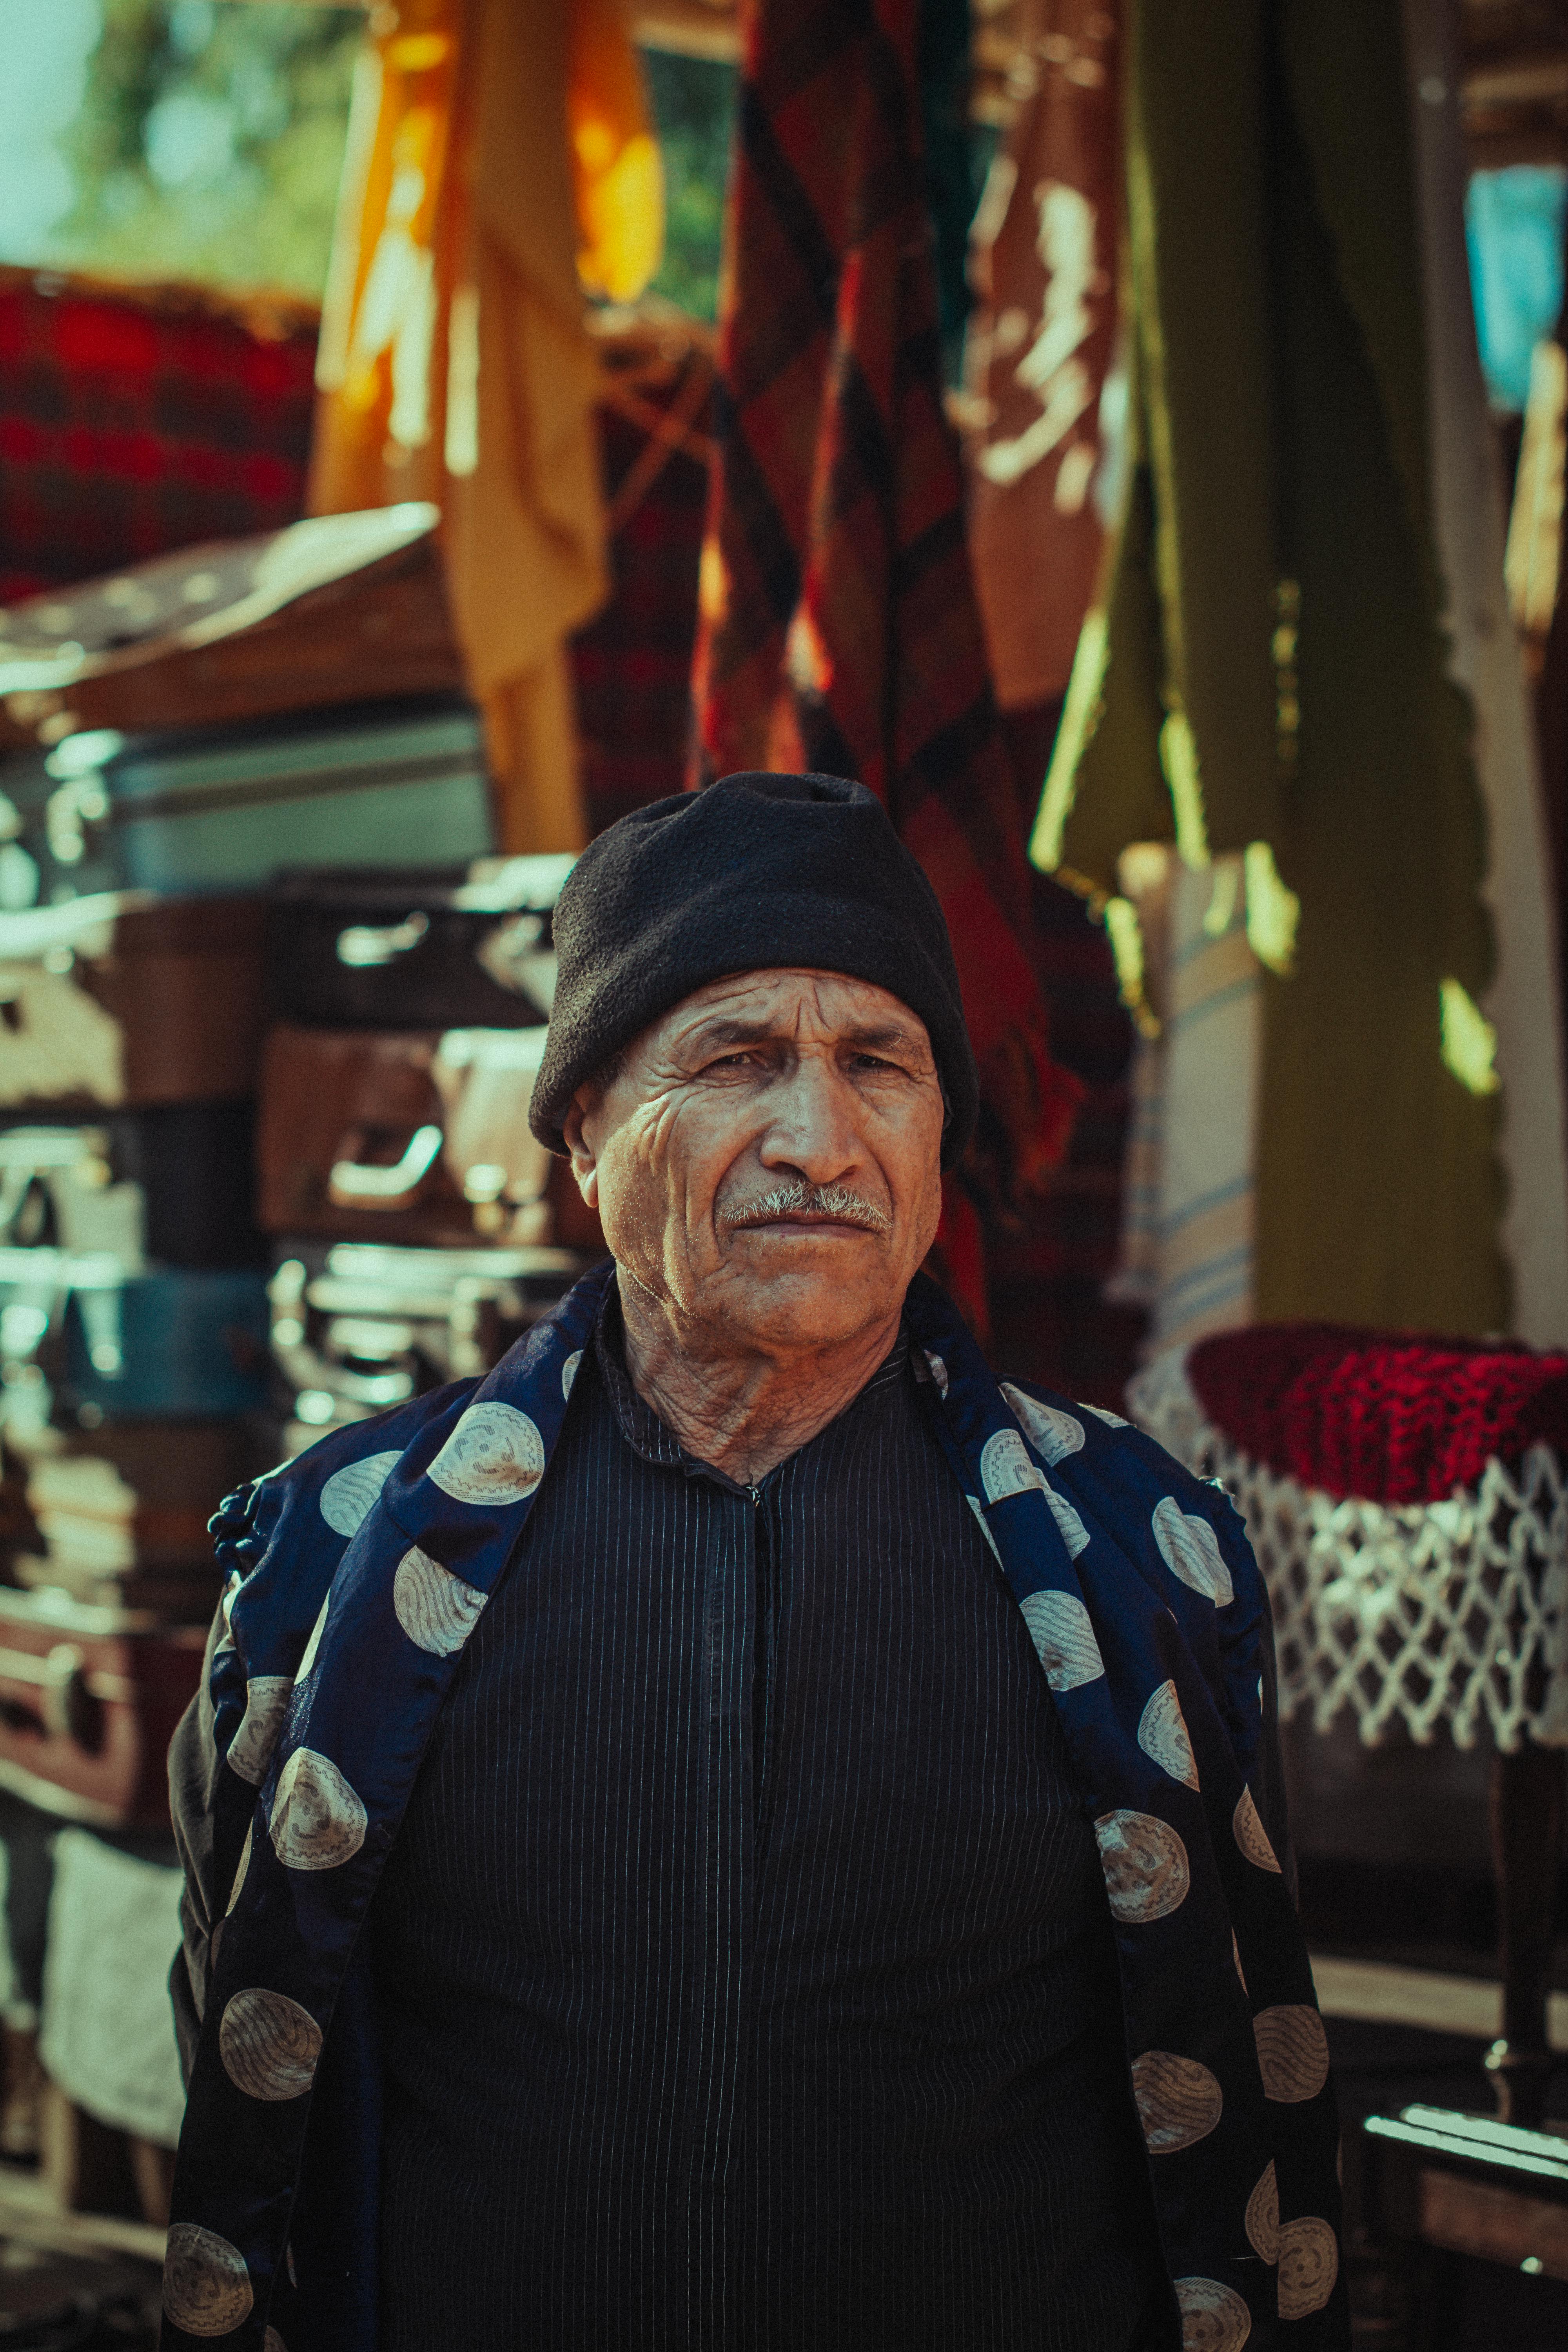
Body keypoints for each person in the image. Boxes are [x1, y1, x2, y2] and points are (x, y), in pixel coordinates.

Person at [163, 773, 1345, 2352]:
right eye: (735, 1060)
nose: (820, 1139)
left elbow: (1241, 2072)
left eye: (880, 1065)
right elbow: (241, 2089)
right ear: (585, 1131)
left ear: (938, 1139)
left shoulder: (1138, 1562)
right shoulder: (332, 1570)